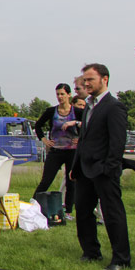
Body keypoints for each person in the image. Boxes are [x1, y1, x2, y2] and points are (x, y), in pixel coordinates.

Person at [69, 63, 130, 270]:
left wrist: (109, 169)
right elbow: (84, 140)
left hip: (104, 170)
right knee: (83, 211)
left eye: (90, 80)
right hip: (84, 170)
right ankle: (91, 252)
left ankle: (121, 260)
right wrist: (75, 167)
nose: (86, 83)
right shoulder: (89, 106)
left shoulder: (114, 107)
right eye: (85, 80)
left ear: (104, 79)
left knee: (112, 214)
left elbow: (117, 142)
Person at [33, 83, 84, 219]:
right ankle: (33, 205)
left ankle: (68, 212)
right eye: (58, 94)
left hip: (72, 151)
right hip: (56, 151)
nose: (60, 97)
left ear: (69, 95)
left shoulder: (77, 112)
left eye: (62, 94)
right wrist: (44, 140)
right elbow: (38, 125)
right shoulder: (51, 111)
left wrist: (80, 138)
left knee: (71, 181)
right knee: (46, 180)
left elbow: (89, 125)